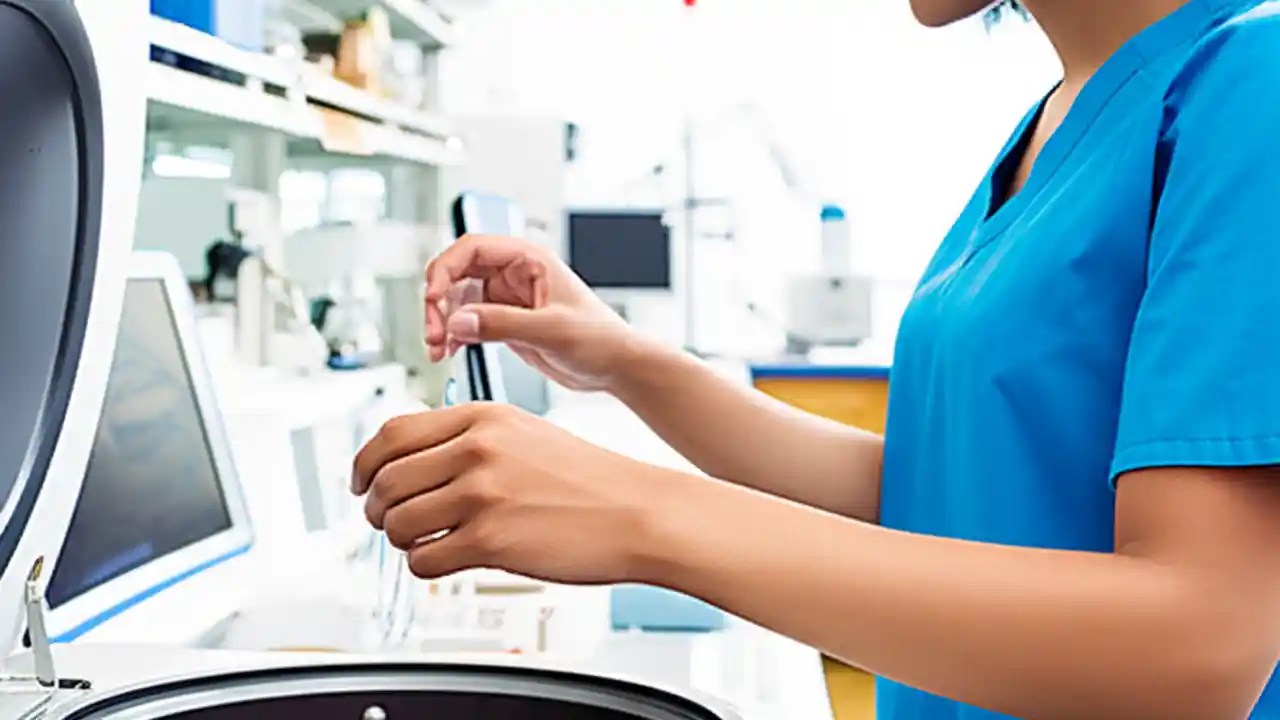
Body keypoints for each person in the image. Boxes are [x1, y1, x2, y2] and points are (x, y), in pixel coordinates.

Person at [350, 0, 1280, 717]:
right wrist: (623, 361)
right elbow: (949, 493)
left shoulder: (1252, 84)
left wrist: (640, 515)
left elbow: (1197, 650)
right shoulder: (1060, 118)